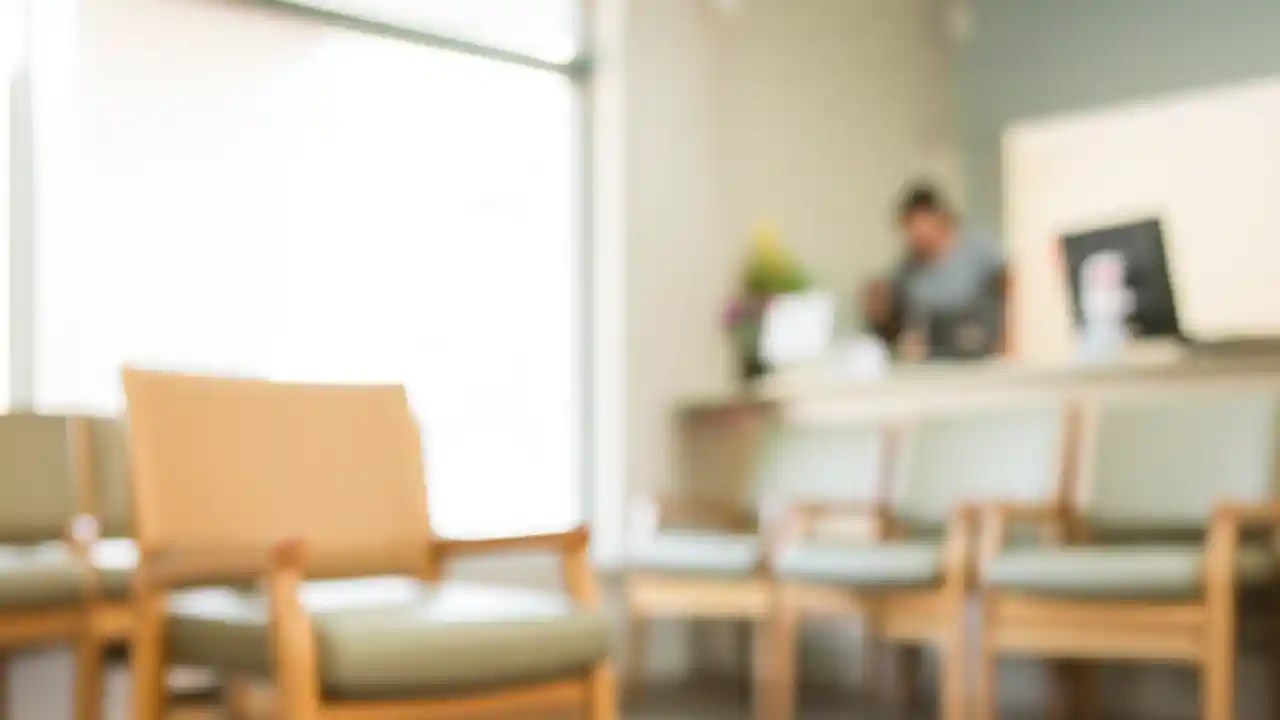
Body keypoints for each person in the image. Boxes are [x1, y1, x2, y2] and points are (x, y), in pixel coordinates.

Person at [867, 184, 1008, 359]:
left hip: (982, 348)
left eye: (920, 224)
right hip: (938, 356)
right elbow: (908, 319)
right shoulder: (908, 269)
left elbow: (1007, 285)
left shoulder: (978, 249)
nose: (916, 234)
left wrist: (1007, 338)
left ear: (938, 219)